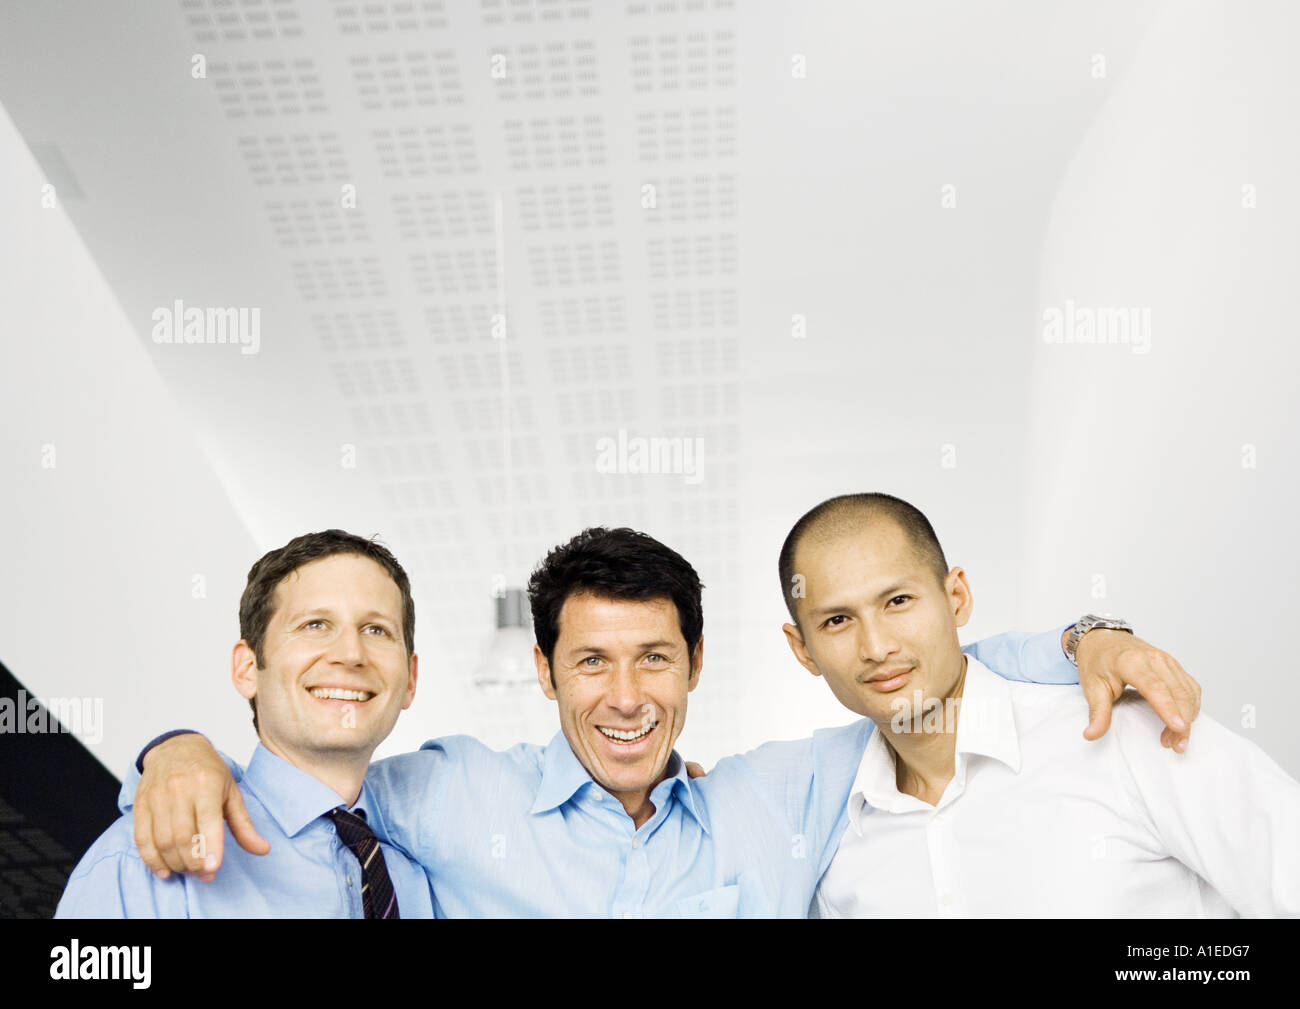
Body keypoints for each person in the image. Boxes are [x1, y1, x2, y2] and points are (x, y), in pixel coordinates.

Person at [116, 526, 1199, 917]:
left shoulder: (787, 795)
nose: (625, 695)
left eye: (653, 658)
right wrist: (178, 749)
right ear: (543, 671)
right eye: (590, 660)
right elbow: (306, 767)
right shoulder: (447, 796)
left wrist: (1081, 639)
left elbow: (920, 678)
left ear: (695, 667)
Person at [778, 493, 1299, 916]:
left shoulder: (1132, 738)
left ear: (956, 597)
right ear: (804, 650)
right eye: (837, 621)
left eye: (898, 602)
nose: (877, 647)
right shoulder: (831, 841)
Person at [56, 531, 435, 918]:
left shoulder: (429, 880)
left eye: (377, 630)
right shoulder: (142, 860)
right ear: (247, 668)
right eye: (315, 625)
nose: (351, 654)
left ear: (410, 679)